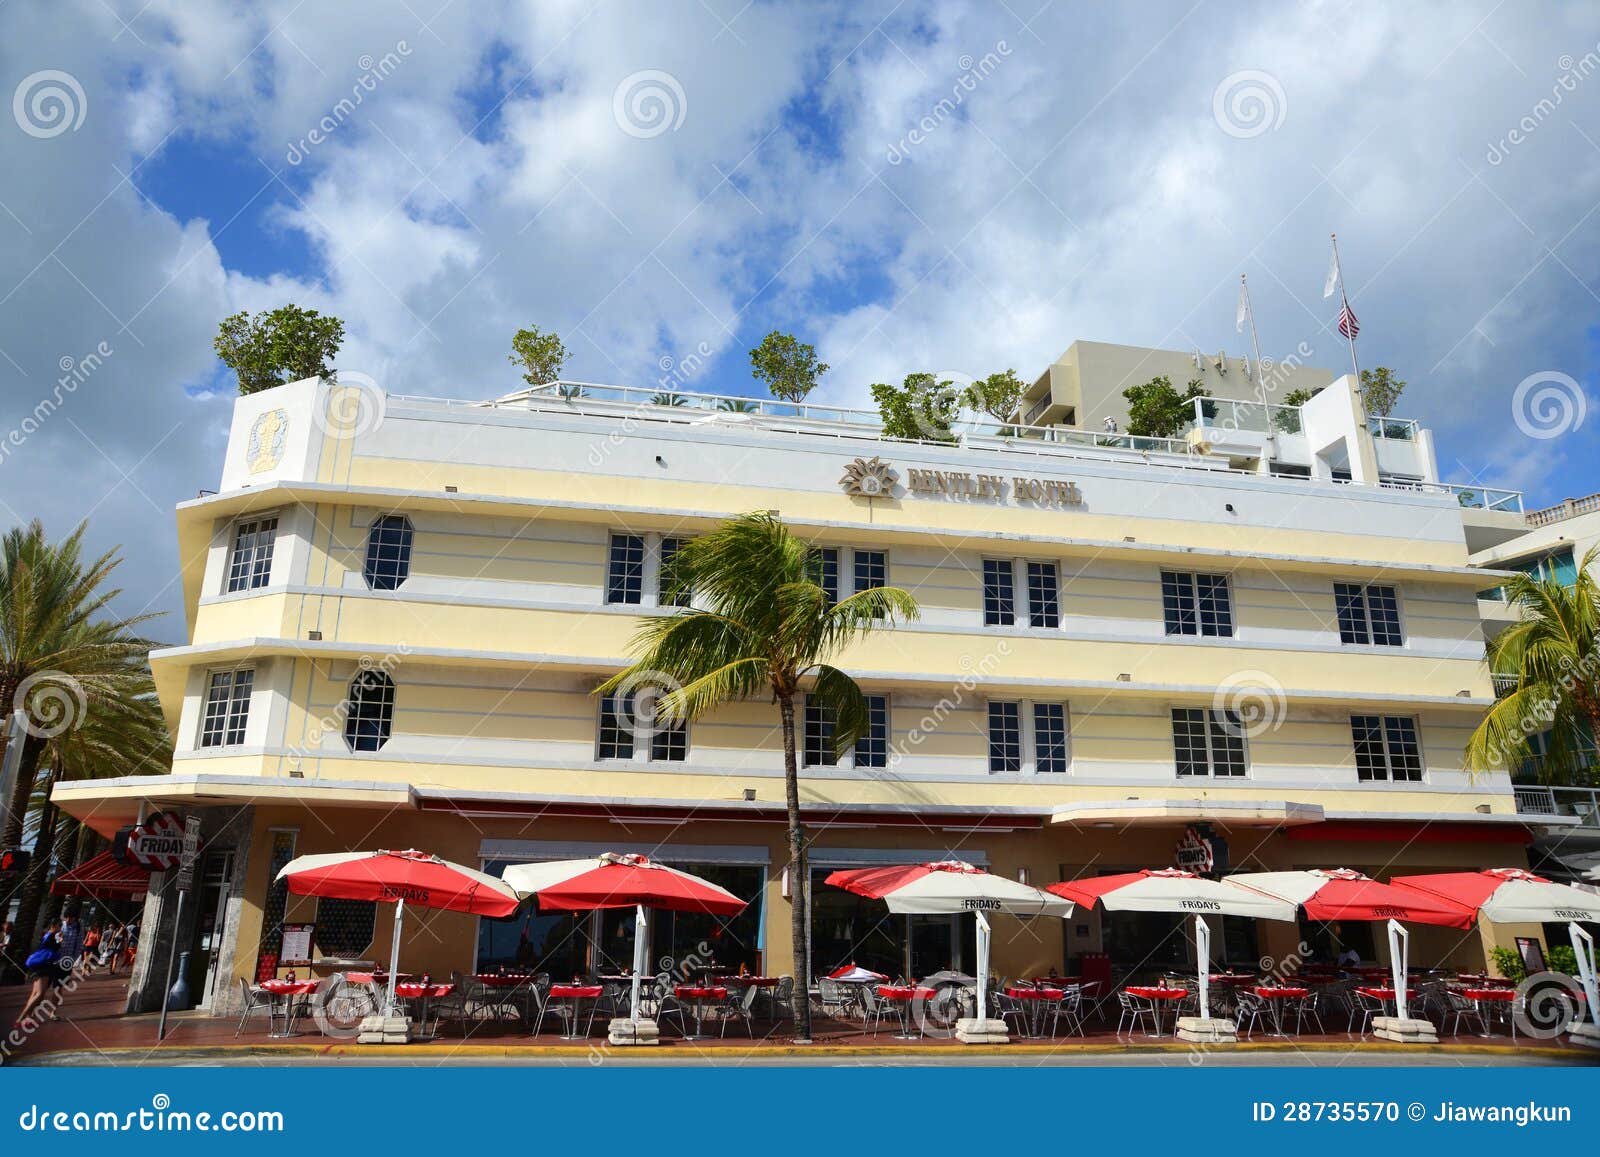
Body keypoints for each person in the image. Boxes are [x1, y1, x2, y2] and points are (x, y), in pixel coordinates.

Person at [16, 920, 61, 1029]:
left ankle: (28, 1018)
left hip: (40, 967)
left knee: (36, 993)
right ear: (53, 926)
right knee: (39, 994)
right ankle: (21, 1018)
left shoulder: (46, 935)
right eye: (59, 926)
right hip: (43, 967)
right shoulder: (50, 937)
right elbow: (53, 950)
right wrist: (60, 942)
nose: (60, 928)